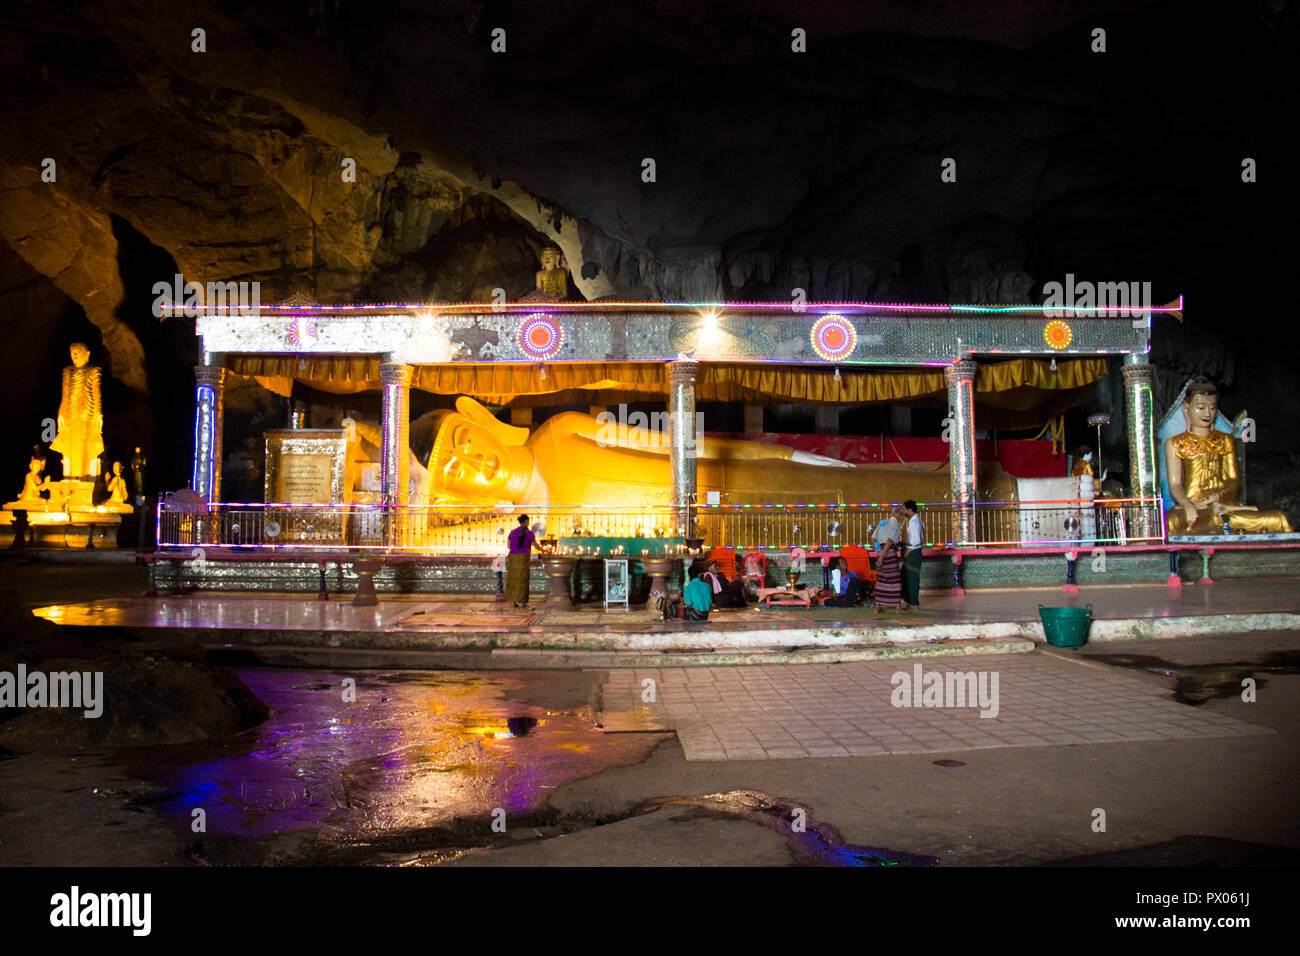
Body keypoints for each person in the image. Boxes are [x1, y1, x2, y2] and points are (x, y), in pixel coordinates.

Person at [1163, 379, 1292, 535]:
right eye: (1201, 408)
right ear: (1187, 409)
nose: (1207, 414)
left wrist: (1216, 496)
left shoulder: (1226, 440)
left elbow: (1233, 481)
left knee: (1277, 519)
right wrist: (1187, 504)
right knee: (1168, 523)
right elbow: (1175, 484)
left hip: (1223, 507)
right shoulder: (1175, 443)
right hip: (1195, 508)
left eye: (1212, 408)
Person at [505, 514, 538, 608]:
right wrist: (544, 550)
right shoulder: (529, 533)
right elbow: (535, 545)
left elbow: (508, 546)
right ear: (526, 522)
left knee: (513, 578)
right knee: (523, 579)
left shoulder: (512, 532)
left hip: (513, 558)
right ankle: (523, 602)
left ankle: (514, 601)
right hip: (523, 558)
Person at [901, 499, 923, 610]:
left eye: (905, 510)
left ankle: (914, 603)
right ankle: (907, 601)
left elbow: (915, 541)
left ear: (910, 510)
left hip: (913, 553)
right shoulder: (914, 521)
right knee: (905, 576)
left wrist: (903, 542)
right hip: (911, 553)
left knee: (912, 579)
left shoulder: (914, 523)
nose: (904, 512)